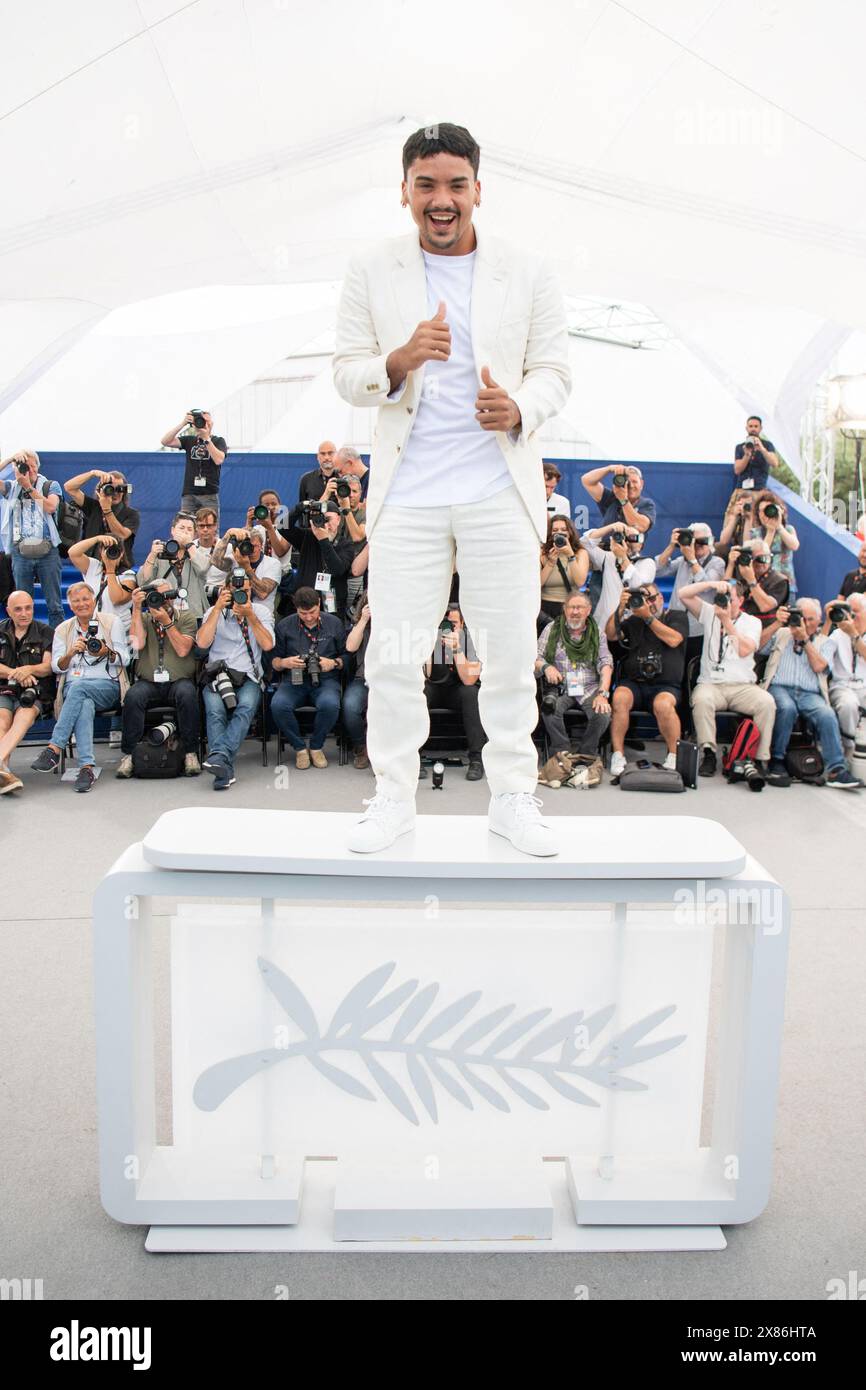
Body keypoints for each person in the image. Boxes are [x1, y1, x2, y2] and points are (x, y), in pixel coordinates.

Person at [332, 122, 571, 856]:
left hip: (499, 488)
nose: (442, 200)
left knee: (505, 654)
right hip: (407, 493)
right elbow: (347, 370)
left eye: (455, 185)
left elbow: (555, 372)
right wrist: (397, 362)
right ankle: (393, 800)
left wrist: (520, 408)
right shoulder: (371, 269)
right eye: (426, 185)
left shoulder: (527, 270)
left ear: (478, 189)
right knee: (395, 654)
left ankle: (513, 799)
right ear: (404, 191)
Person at [31, 583, 130, 792]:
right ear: (70, 605)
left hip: (108, 685)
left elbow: (126, 659)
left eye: (85, 599)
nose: (82, 604)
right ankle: (86, 767)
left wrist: (105, 652)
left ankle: (54, 747)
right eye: (76, 601)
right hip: (75, 688)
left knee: (80, 689)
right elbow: (57, 667)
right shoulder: (63, 629)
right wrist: (69, 653)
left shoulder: (112, 622)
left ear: (93, 600)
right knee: (82, 700)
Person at [678, 578, 775, 777]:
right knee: (701, 699)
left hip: (742, 686)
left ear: (740, 600)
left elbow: (745, 650)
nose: (725, 603)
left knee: (766, 702)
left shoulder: (752, 622)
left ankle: (759, 758)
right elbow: (683, 594)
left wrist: (726, 622)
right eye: (721, 599)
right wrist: (712, 584)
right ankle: (709, 753)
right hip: (712, 685)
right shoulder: (709, 613)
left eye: (729, 599)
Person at [759, 598, 859, 790]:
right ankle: (777, 761)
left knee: (826, 714)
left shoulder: (826, 642)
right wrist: (778, 623)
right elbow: (757, 646)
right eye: (801, 618)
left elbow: (820, 667)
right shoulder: (782, 633)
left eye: (810, 619)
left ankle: (836, 769)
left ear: (819, 620)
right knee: (786, 708)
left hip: (809, 693)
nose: (804, 623)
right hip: (780, 687)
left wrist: (804, 640)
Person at [196, 572, 274, 790]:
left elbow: (268, 645)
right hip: (217, 675)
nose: (242, 594)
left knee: (246, 706)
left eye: (246, 591)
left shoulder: (261, 612)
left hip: (248, 675)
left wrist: (250, 616)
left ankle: (219, 757)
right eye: (237, 590)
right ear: (226, 590)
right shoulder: (214, 611)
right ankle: (223, 766)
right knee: (214, 710)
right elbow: (202, 643)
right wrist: (219, 608)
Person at [116, 582, 201, 778]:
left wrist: (167, 623)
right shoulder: (144, 618)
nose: (162, 601)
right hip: (149, 681)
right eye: (156, 597)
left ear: (172, 597)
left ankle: (190, 752)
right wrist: (136, 608)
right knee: (133, 696)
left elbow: (182, 650)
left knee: (188, 694)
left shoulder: (186, 618)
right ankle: (129, 754)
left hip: (179, 680)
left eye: (166, 596)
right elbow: (137, 643)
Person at [605, 583, 688, 777]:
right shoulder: (634, 621)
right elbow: (611, 634)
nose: (649, 603)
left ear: (661, 598)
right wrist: (620, 608)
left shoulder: (676, 616)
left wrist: (648, 617)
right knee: (619, 698)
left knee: (664, 705)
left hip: (666, 685)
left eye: (652, 598)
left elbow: (674, 639)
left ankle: (674, 755)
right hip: (635, 683)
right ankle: (618, 754)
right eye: (644, 600)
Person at [535, 590, 612, 777]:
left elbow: (606, 664)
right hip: (562, 687)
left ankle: (586, 754)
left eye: (579, 607)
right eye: (571, 607)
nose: (575, 612)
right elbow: (536, 656)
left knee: (602, 714)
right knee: (549, 709)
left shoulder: (597, 633)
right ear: (564, 609)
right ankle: (563, 753)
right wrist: (546, 667)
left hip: (589, 688)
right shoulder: (552, 629)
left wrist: (602, 694)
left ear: (588, 610)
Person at [270, 586, 347, 768]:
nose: (309, 617)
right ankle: (299, 748)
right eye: (303, 614)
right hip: (294, 679)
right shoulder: (285, 626)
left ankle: (316, 746)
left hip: (326, 679)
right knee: (278, 705)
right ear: (296, 609)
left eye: (312, 612)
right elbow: (273, 661)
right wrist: (284, 663)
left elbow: (347, 656)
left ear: (319, 604)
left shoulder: (334, 623)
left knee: (330, 704)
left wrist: (334, 663)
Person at [0, 450, 64, 628]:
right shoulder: (12, 487)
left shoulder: (50, 485)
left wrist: (28, 486)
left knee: (55, 605)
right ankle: (23, 643)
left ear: (38, 466)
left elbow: (51, 507)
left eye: (32, 465)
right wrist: (9, 460)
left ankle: (55, 646)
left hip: (48, 550)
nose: (29, 470)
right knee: (21, 604)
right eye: (24, 466)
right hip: (20, 552)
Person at [0, 591, 56, 794]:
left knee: (23, 717)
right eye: (18, 609)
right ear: (8, 611)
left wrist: (29, 670)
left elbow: (48, 667)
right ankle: (3, 773)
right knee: (1, 721)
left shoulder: (45, 632)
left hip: (36, 692)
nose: (24, 613)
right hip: (5, 690)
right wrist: (16, 672)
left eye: (28, 608)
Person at [423, 605, 487, 780]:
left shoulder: (472, 640)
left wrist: (457, 649)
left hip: (458, 689)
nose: (449, 629)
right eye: (444, 624)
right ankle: (414, 755)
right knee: (418, 694)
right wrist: (430, 644)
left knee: (471, 694)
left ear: (463, 623)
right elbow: (426, 675)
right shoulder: (429, 637)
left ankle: (476, 759)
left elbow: (469, 679)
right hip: (434, 686)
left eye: (453, 624)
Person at [654, 522, 725, 665]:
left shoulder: (717, 563)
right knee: (673, 667)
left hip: (698, 629)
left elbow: (706, 584)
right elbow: (657, 570)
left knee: (693, 668)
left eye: (702, 541)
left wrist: (692, 559)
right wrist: (671, 546)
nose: (697, 545)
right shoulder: (682, 561)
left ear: (711, 542)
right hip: (675, 625)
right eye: (693, 541)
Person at [281, 500, 355, 619]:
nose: (325, 525)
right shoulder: (308, 536)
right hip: (303, 606)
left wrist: (323, 540)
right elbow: (282, 527)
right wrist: (300, 508)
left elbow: (337, 570)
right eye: (322, 519)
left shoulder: (346, 545)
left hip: (331, 609)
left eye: (328, 519)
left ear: (338, 519)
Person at [137, 513, 212, 618]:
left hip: (194, 615)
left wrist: (189, 545)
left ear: (195, 535)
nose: (185, 532)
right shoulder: (160, 552)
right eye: (182, 528)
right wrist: (152, 555)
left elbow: (203, 569)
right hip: (165, 612)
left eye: (189, 529)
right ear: (173, 530)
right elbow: (144, 582)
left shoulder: (199, 553)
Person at [62, 468, 140, 564]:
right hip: (92, 564)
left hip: (119, 565)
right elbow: (69, 488)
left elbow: (121, 535)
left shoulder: (132, 514)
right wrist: (92, 473)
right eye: (111, 488)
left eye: (119, 488)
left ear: (124, 491)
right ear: (101, 490)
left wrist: (107, 510)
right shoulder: (93, 506)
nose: (115, 493)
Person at [160, 409, 228, 521]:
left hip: (209, 494)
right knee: (186, 525)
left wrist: (206, 438)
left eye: (206, 420)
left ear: (211, 423)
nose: (203, 423)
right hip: (189, 494)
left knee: (210, 528)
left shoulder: (218, 441)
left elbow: (218, 459)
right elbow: (165, 441)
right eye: (201, 420)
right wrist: (183, 423)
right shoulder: (190, 440)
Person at [821, 592, 866, 752]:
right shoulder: (838, 634)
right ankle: (850, 748)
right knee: (848, 705)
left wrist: (854, 634)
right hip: (842, 686)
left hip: (864, 686)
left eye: (856, 611)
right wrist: (828, 622)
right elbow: (821, 654)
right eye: (849, 611)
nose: (851, 616)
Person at [67, 533, 136, 632]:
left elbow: (116, 599)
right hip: (94, 629)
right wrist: (97, 538)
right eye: (107, 550)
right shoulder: (94, 567)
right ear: (101, 552)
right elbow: (73, 553)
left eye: (115, 551)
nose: (111, 554)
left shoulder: (128, 575)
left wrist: (110, 570)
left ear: (121, 553)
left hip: (118, 630)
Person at [209, 525, 281, 614]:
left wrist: (246, 567)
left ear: (261, 546)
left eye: (254, 546)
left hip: (260, 615)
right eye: (246, 545)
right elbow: (215, 561)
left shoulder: (272, 563)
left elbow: (262, 593)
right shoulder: (235, 559)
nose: (250, 549)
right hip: (235, 613)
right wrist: (227, 535)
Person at [580, 464, 656, 538]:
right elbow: (586, 480)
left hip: (628, 549)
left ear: (641, 484)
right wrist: (609, 469)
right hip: (604, 547)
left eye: (634, 482)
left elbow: (640, 526)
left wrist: (623, 500)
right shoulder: (612, 498)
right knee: (585, 540)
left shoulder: (646, 504)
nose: (631, 485)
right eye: (627, 482)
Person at [747, 491, 799, 600]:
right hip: (763, 585)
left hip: (786, 585)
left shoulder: (788, 529)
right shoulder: (754, 533)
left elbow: (794, 546)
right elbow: (760, 554)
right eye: (760, 511)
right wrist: (770, 532)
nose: (763, 514)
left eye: (767, 509)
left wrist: (779, 527)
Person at [539, 515, 588, 620]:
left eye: (564, 529)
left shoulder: (580, 553)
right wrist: (551, 563)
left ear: (570, 532)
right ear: (550, 533)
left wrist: (570, 555)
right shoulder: (543, 553)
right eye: (555, 530)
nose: (559, 532)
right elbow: (537, 584)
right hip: (545, 608)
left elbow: (580, 582)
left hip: (570, 607)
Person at [343, 593, 372, 768]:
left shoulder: (396, 624)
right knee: (350, 705)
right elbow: (350, 647)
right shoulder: (361, 624)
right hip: (365, 677)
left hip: (389, 679)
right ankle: (361, 746)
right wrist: (363, 620)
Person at [733, 415, 780, 492]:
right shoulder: (740, 447)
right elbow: (737, 470)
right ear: (746, 428)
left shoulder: (767, 445)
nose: (753, 429)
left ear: (760, 428)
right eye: (750, 426)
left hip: (760, 489)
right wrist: (747, 455)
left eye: (756, 426)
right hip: (741, 489)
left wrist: (762, 449)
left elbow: (775, 463)